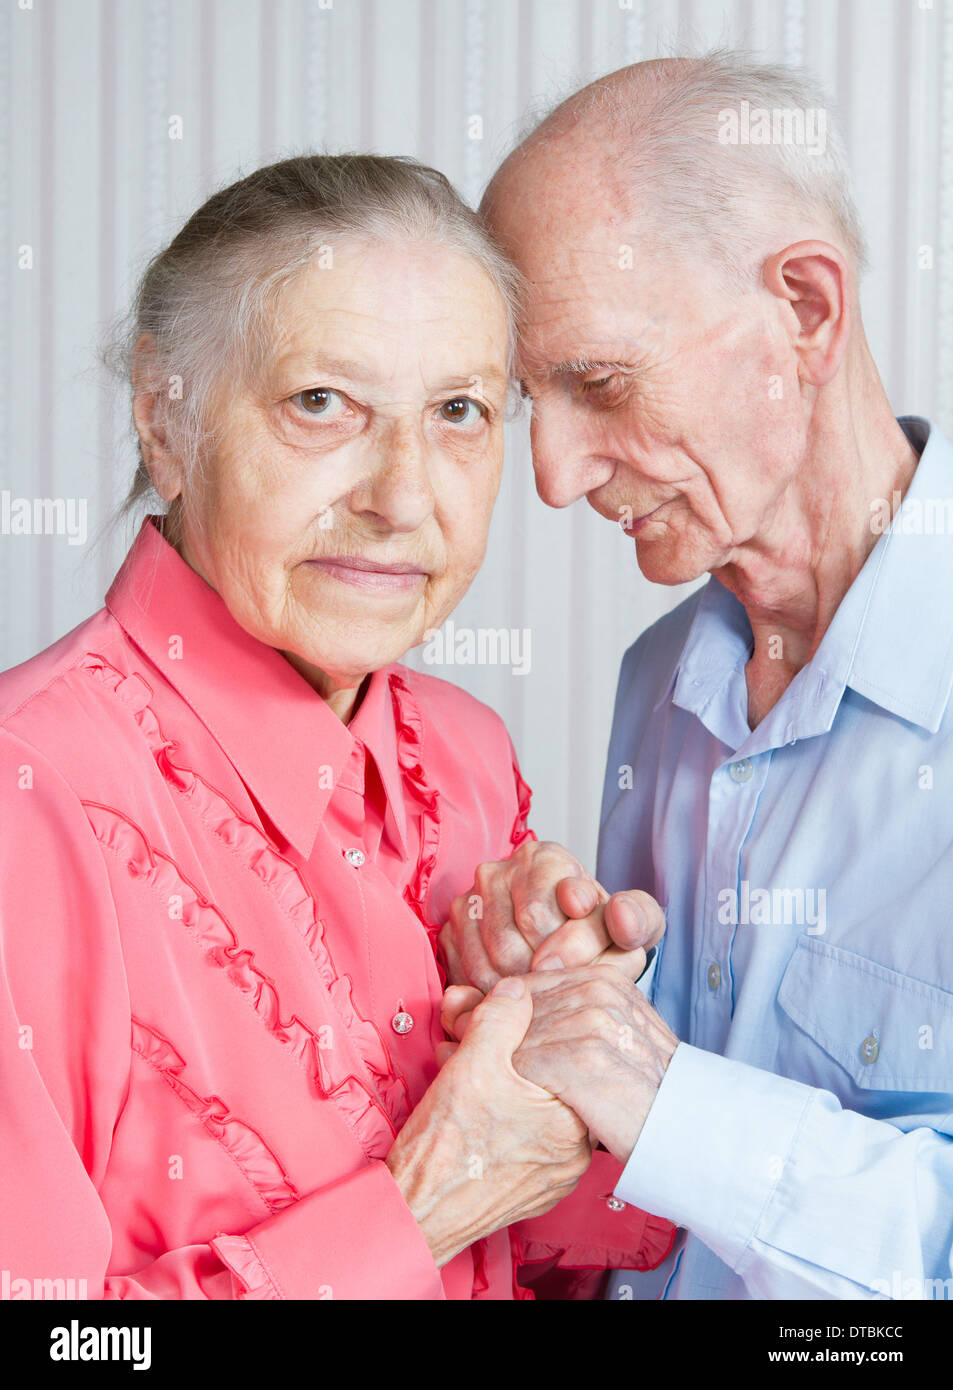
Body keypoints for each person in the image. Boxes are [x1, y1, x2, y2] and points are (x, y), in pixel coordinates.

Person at [0, 153, 674, 1301]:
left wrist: (571, 1046)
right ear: (168, 422)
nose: (403, 496)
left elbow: (535, 1258)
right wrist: (426, 1200)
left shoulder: (465, 754)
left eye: (457, 411)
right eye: (323, 403)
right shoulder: (33, 801)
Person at [440, 50, 953, 1299]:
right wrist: (561, 988)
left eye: (598, 384)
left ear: (804, 313)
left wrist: (664, 1094)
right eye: (527, 403)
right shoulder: (661, 681)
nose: (552, 477)